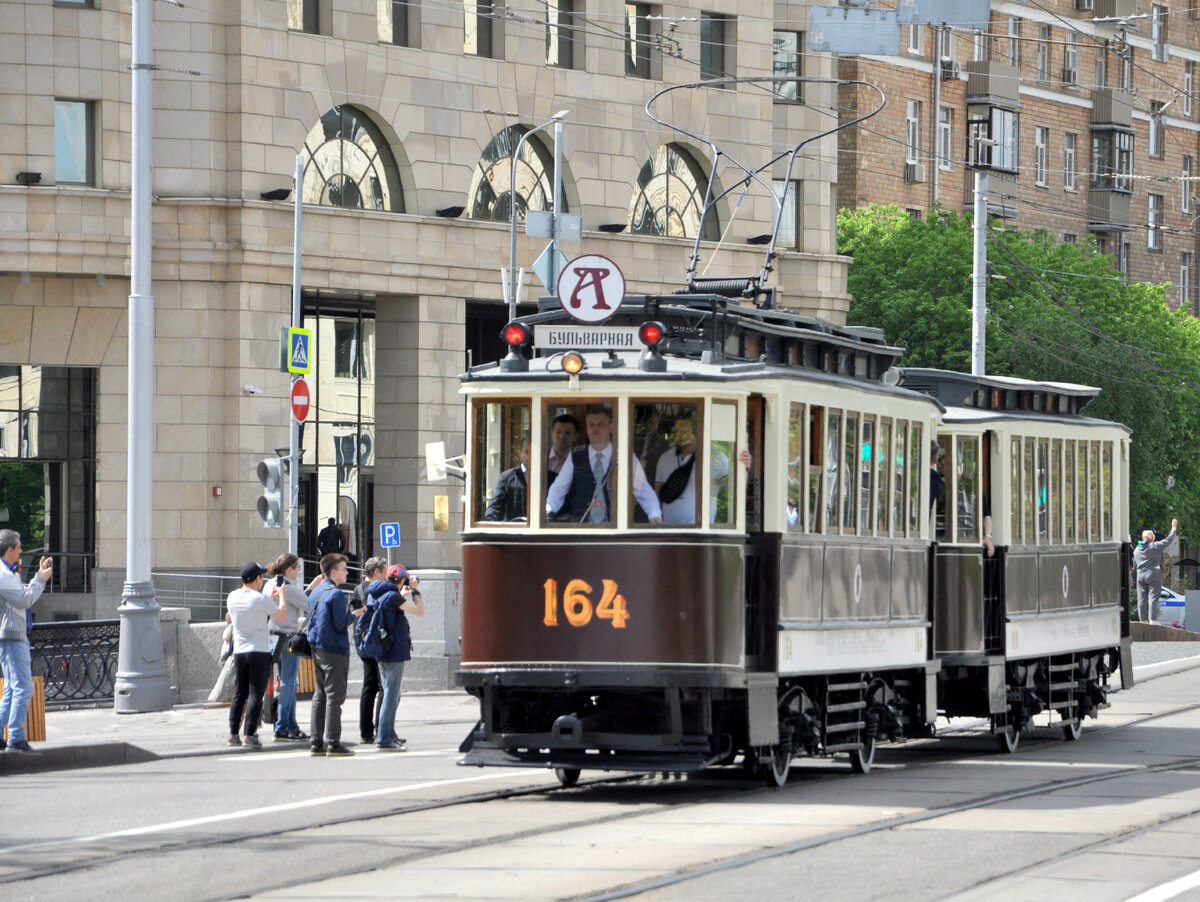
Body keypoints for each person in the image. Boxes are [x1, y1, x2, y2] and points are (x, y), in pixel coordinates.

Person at [545, 405, 663, 524]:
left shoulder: (625, 456)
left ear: (611, 427)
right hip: (582, 528)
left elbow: (643, 490)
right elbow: (558, 488)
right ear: (586, 428)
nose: (595, 428)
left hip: (614, 530)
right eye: (591, 424)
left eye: (600, 424)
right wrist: (547, 511)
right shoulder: (576, 455)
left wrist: (654, 514)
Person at [225, 562, 289, 749]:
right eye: (261, 577)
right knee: (255, 693)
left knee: (240, 692)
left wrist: (268, 598)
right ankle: (249, 734)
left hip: (239, 651)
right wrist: (282, 596)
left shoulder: (232, 597)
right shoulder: (261, 599)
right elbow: (282, 616)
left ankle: (232, 733)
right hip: (259, 650)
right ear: (257, 579)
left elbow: (251, 609)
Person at [306, 552, 365, 756]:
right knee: (334, 697)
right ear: (333, 571)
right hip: (334, 649)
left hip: (317, 648)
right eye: (344, 569)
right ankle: (333, 742)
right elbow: (339, 623)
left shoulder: (317, 591)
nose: (347, 572)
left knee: (319, 694)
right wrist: (353, 615)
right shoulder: (336, 594)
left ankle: (316, 742)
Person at [0, 530, 52, 754]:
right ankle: (16, 738)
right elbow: (24, 600)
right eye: (19, 547)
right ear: (9, 549)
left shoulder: (8, 572)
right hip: (11, 635)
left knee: (13, 688)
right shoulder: (3, 574)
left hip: (12, 633)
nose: (22, 550)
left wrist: (38, 576)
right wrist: (41, 579)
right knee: (24, 686)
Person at [366, 564, 426, 751]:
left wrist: (403, 594)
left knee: (391, 693)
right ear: (401, 580)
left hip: (382, 650)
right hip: (392, 652)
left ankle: (389, 734)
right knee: (391, 695)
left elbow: (391, 606)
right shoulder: (392, 596)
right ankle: (384, 739)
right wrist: (415, 591)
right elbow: (420, 611)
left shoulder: (379, 592)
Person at [265, 553, 317, 742]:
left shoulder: (269, 584)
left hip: (272, 637)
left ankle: (291, 725)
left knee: (287, 683)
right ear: (289, 569)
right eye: (297, 568)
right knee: (288, 682)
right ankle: (283, 726)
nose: (298, 571)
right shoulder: (287, 586)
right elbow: (307, 604)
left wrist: (310, 587)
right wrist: (314, 590)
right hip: (287, 636)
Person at [653, 415, 728, 525]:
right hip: (668, 529)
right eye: (676, 430)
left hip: (700, 530)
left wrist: (743, 467)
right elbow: (658, 491)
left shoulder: (715, 456)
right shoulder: (665, 457)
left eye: (684, 430)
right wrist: (657, 517)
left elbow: (731, 488)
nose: (679, 434)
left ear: (697, 431)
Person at [349, 556, 387, 744]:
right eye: (385, 571)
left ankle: (365, 731)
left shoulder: (357, 589)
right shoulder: (378, 589)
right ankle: (382, 729)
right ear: (377, 572)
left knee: (368, 686)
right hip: (377, 642)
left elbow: (355, 615)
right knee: (382, 687)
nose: (386, 575)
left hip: (362, 642)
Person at [1132, 518, 1179, 624]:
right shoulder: (1154, 546)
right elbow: (1168, 540)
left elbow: (1134, 562)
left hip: (1140, 574)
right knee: (1153, 596)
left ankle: (1142, 620)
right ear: (1151, 538)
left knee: (1141, 598)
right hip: (1153, 572)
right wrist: (1173, 528)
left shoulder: (1137, 549)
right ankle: (1153, 620)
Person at [485, 434, 530, 521]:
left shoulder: (549, 478)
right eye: (526, 452)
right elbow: (496, 507)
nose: (530, 456)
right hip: (516, 530)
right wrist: (489, 525)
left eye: (533, 452)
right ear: (519, 453)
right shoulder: (507, 478)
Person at [546, 414, 580, 487]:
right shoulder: (540, 458)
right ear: (551, 433)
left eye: (567, 433)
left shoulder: (581, 461)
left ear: (576, 436)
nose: (562, 436)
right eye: (558, 432)